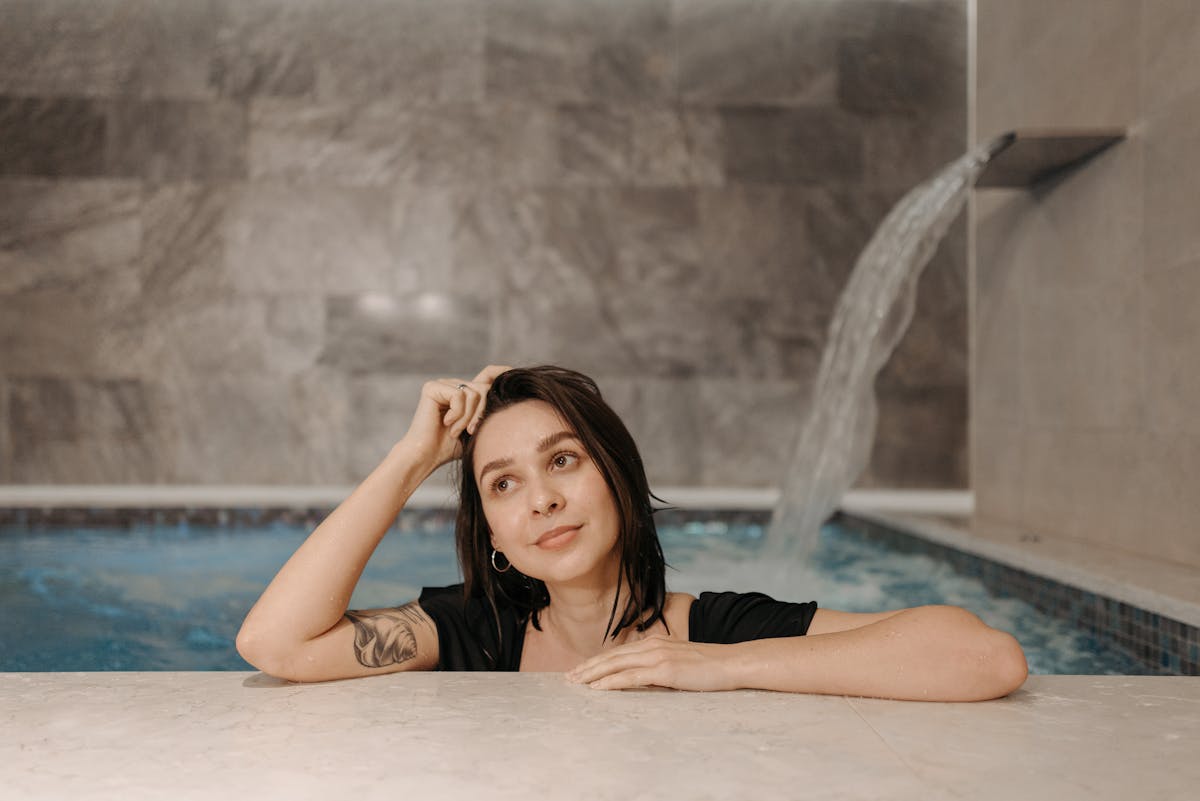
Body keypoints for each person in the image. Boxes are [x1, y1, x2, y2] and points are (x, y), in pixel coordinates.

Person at [237, 365, 1028, 700]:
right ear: (495, 537)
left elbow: (986, 655)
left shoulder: (710, 629)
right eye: (503, 483)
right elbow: (276, 644)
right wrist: (414, 459)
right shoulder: (473, 628)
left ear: (615, 475)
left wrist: (716, 667)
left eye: (564, 460)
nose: (541, 499)